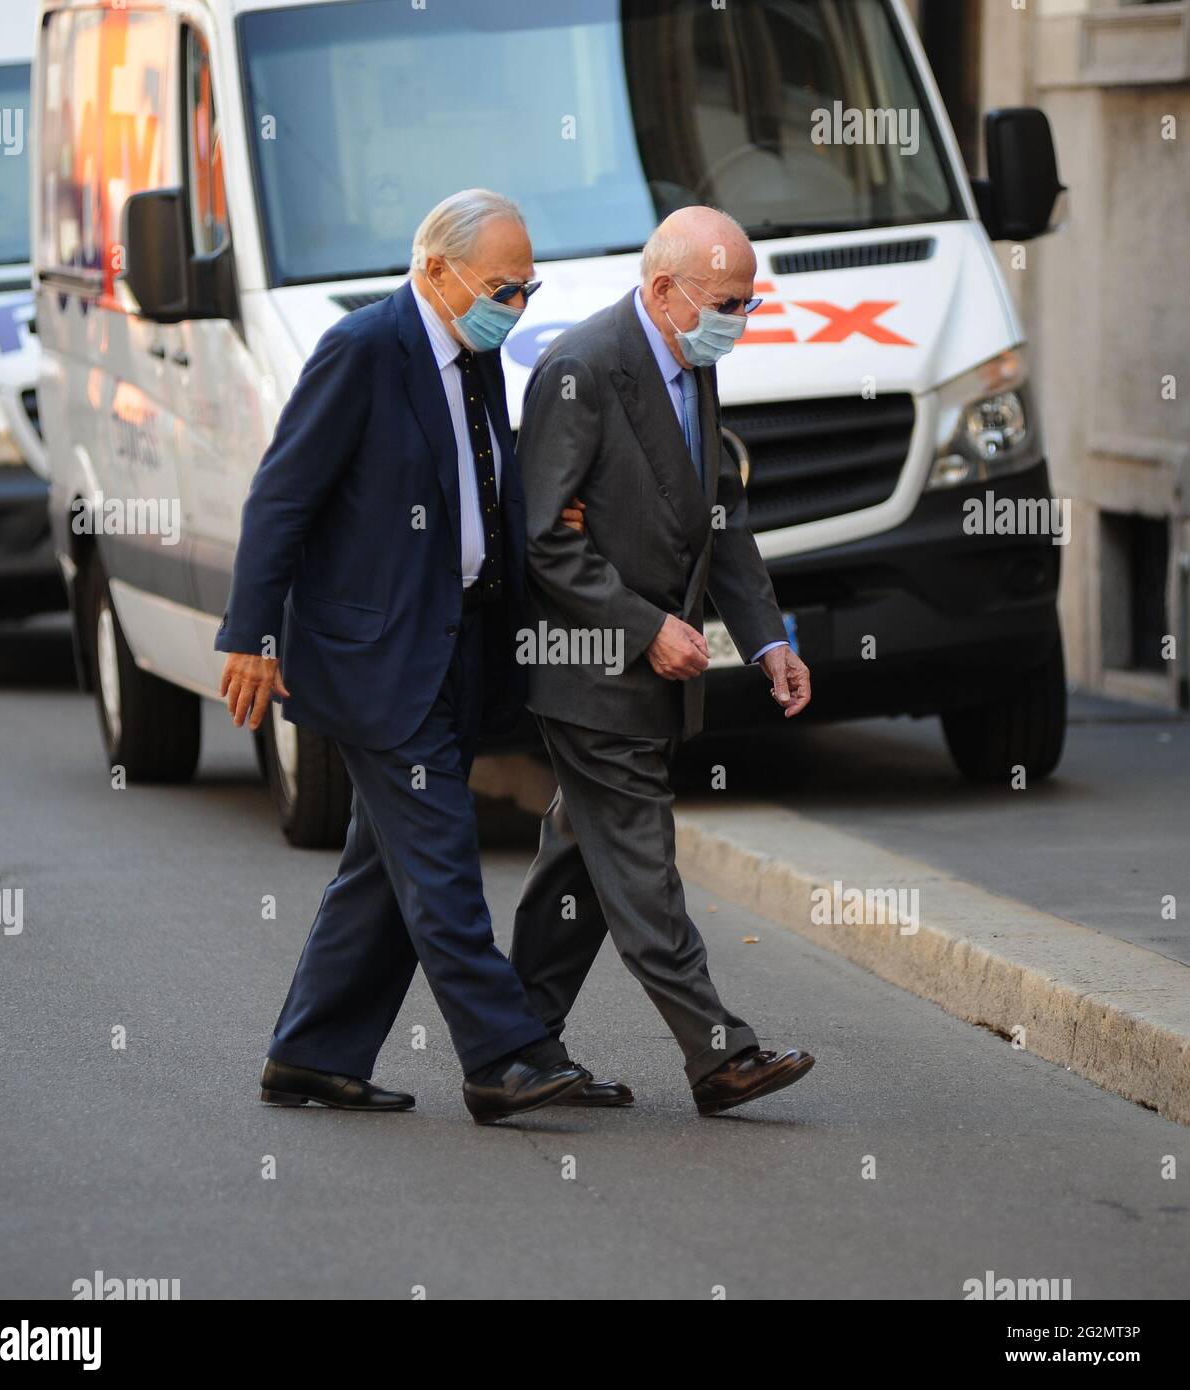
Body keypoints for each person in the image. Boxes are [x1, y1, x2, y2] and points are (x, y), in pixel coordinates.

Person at [215, 189, 591, 1124]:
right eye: (504, 285)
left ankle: (311, 1053)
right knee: (440, 859)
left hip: (456, 647)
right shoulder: (362, 350)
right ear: (435, 270)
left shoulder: (476, 358)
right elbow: (280, 500)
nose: (517, 302)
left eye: (527, 286)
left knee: (383, 870)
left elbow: (482, 482)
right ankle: (502, 1057)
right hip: (375, 658)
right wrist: (252, 635)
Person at [509, 205, 816, 1117]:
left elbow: (718, 518)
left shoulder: (694, 361)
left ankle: (513, 1048)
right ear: (662, 290)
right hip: (592, 667)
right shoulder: (584, 368)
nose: (740, 318)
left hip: (645, 674)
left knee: (581, 863)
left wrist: (767, 640)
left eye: (749, 302)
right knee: (641, 864)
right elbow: (543, 540)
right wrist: (645, 626)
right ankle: (721, 1056)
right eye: (728, 301)